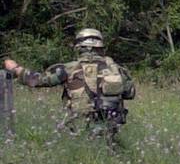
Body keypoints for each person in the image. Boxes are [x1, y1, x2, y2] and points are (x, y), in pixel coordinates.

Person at [3, 28, 135, 144]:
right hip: (110, 126)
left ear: (80, 47)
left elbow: (37, 80)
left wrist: (16, 68)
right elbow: (130, 93)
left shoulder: (69, 69)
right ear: (100, 47)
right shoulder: (116, 70)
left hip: (79, 127)